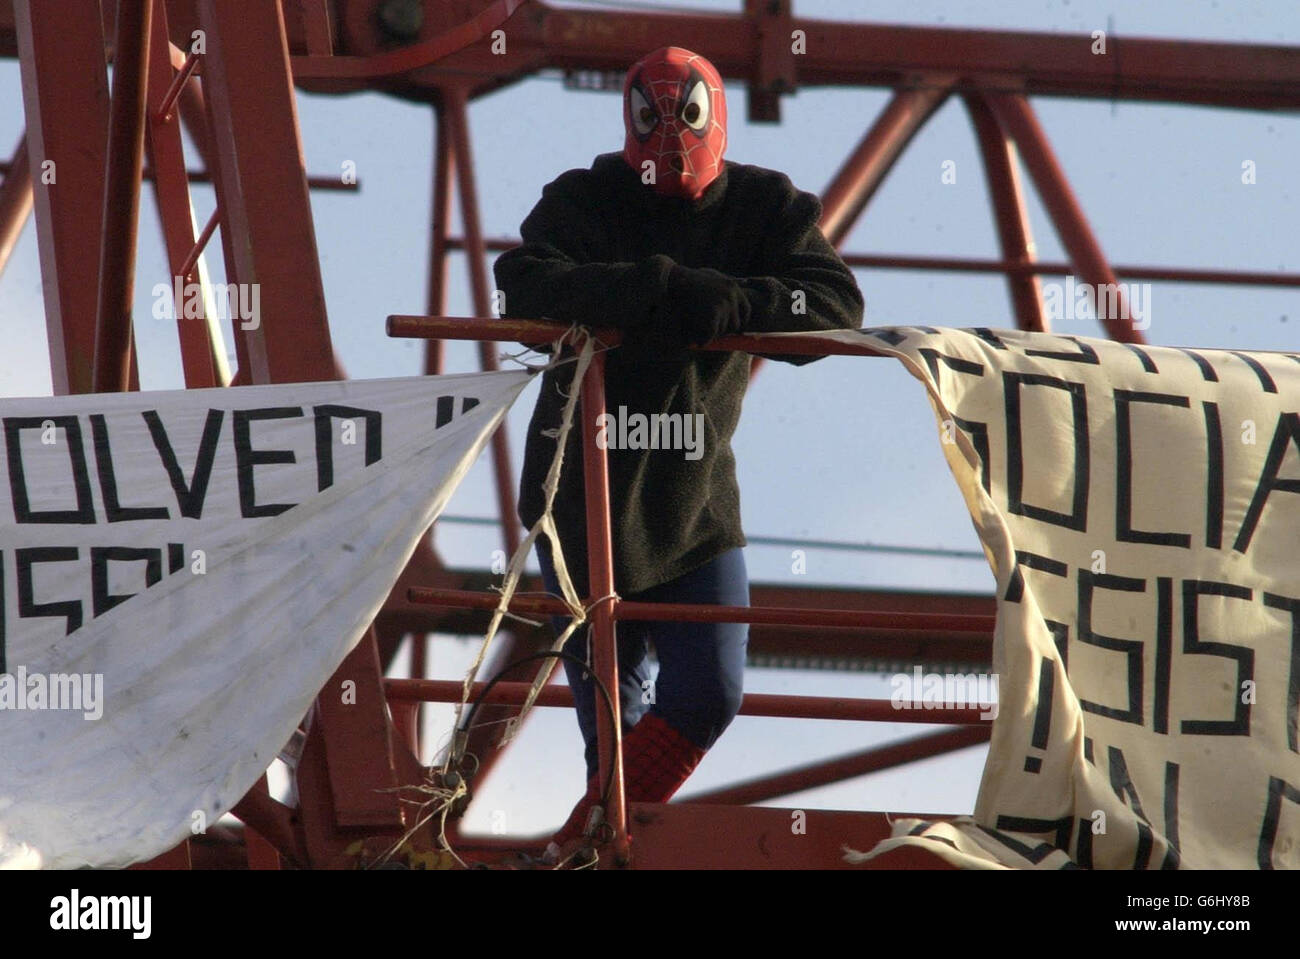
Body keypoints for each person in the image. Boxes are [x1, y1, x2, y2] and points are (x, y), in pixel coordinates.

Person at [493, 46, 864, 862]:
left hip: (693, 505)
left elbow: (831, 303)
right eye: (650, 117)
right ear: (629, 124)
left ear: (712, 119)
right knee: (612, 726)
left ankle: (583, 844)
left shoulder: (763, 209)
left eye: (682, 116)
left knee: (710, 691)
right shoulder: (584, 200)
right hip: (586, 506)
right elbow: (525, 281)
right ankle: (599, 846)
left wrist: (738, 301)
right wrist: (655, 286)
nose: (667, 134)